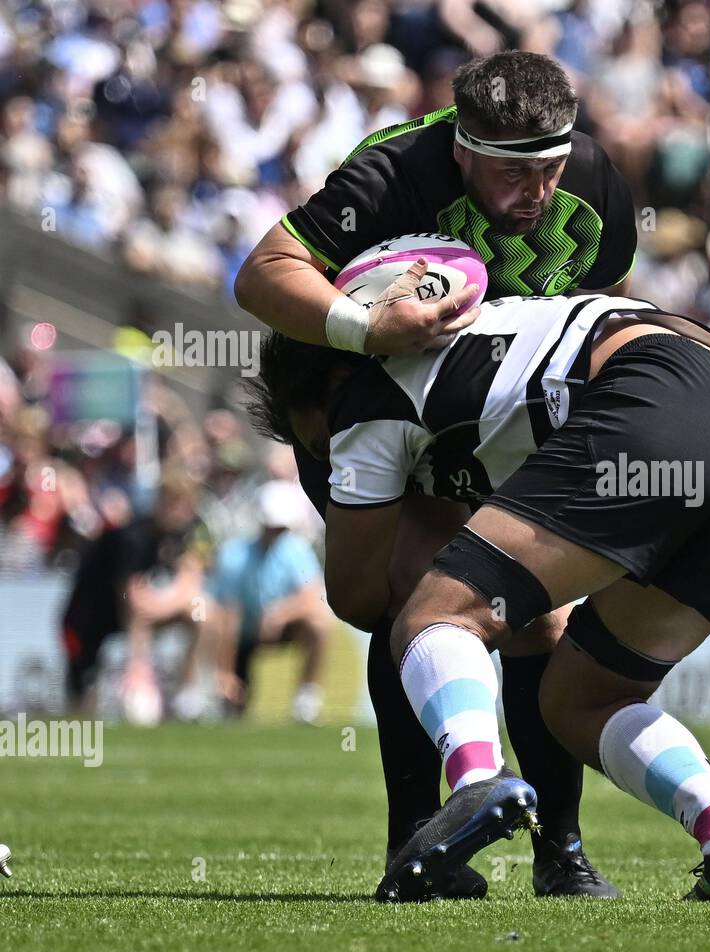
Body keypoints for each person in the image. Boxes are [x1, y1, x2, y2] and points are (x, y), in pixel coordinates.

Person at [234, 50, 637, 897]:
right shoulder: (394, 173)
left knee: (539, 618)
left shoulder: (596, 187)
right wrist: (370, 328)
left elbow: (598, 301)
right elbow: (262, 274)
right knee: (401, 599)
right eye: (511, 171)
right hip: (364, 403)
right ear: (461, 148)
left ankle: (559, 852)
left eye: (550, 167)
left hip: (490, 417)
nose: (537, 191)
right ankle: (416, 843)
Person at [247, 285, 710, 902]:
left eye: (320, 445)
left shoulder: (364, 393)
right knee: (584, 699)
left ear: (332, 381)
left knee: (433, 616)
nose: (327, 464)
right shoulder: (474, 342)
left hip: (655, 397)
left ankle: (478, 778)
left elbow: (354, 596)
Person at [61, 467, 211, 716]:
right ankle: (135, 684)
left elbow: (190, 583)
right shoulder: (135, 537)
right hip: (89, 617)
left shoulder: (184, 533)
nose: (185, 513)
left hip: (128, 613)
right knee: (82, 697)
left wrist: (170, 601)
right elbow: (131, 598)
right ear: (164, 502)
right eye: (178, 504)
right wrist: (167, 601)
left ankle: (185, 695)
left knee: (201, 612)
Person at [206, 481, 332, 723]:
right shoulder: (235, 554)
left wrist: (280, 613)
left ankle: (306, 700)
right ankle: (225, 694)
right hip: (243, 636)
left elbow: (313, 597)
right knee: (233, 712)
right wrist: (225, 671)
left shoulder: (296, 550)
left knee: (319, 625)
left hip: (282, 630)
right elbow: (228, 617)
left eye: (279, 528)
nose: (274, 533)